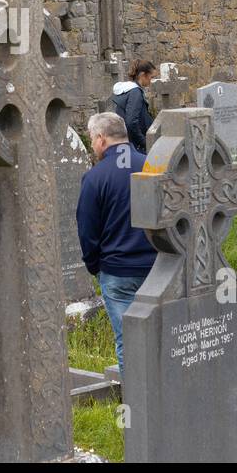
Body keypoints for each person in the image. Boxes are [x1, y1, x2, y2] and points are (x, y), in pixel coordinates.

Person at [76, 111, 156, 374]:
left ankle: (136, 405)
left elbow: (87, 230)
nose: (91, 145)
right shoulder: (151, 166)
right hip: (157, 269)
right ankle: (165, 402)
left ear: (100, 139)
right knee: (161, 339)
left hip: (117, 270)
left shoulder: (95, 177)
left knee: (128, 341)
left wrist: (94, 265)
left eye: (91, 139)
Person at [111, 60, 156, 153]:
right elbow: (131, 122)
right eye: (151, 77)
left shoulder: (128, 90)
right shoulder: (135, 92)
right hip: (135, 146)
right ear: (143, 75)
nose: (151, 81)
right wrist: (144, 142)